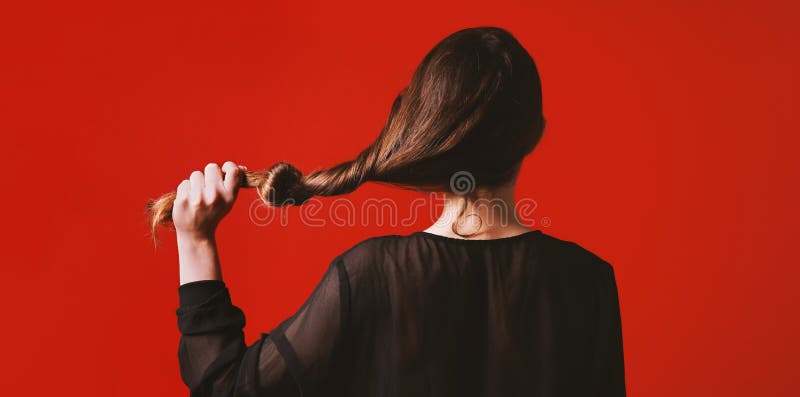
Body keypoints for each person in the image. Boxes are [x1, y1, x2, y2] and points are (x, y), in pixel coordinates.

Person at [146, 26, 625, 396]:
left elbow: (225, 388)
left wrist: (196, 241)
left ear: (426, 132)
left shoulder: (371, 276)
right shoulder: (590, 283)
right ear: (535, 134)